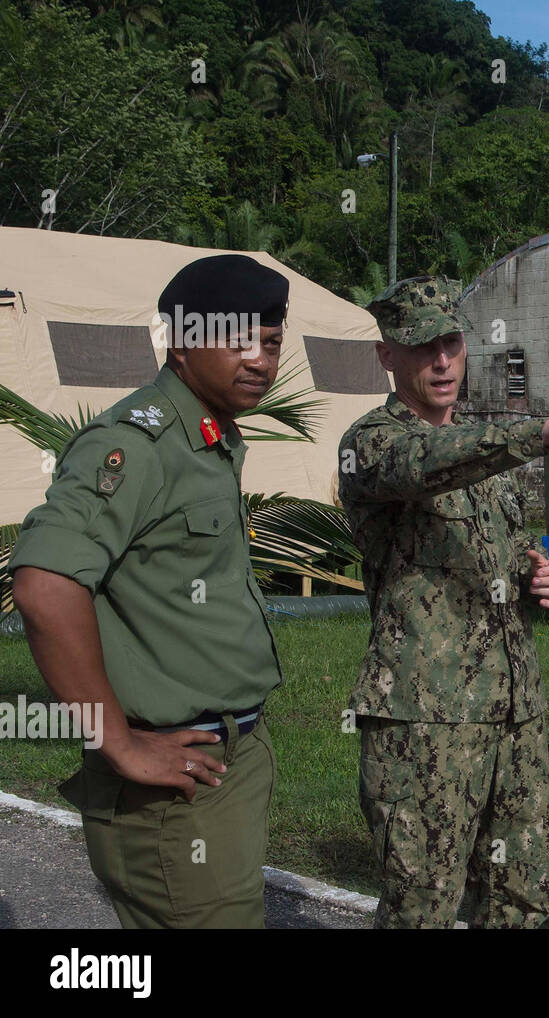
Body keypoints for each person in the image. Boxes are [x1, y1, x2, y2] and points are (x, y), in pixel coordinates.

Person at [339, 275, 549, 928]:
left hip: (512, 711)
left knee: (521, 900)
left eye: (451, 342)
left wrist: (539, 579)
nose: (441, 361)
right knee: (423, 908)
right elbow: (428, 462)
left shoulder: (484, 453)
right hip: (426, 720)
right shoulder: (372, 444)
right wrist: (547, 430)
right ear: (387, 356)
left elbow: (504, 559)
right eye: (421, 348)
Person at [9, 254, 290, 928]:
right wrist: (120, 744)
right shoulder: (136, 447)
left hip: (226, 760)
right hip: (171, 787)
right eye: (239, 338)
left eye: (272, 342)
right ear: (184, 341)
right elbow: (44, 585)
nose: (259, 360)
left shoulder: (209, 436)